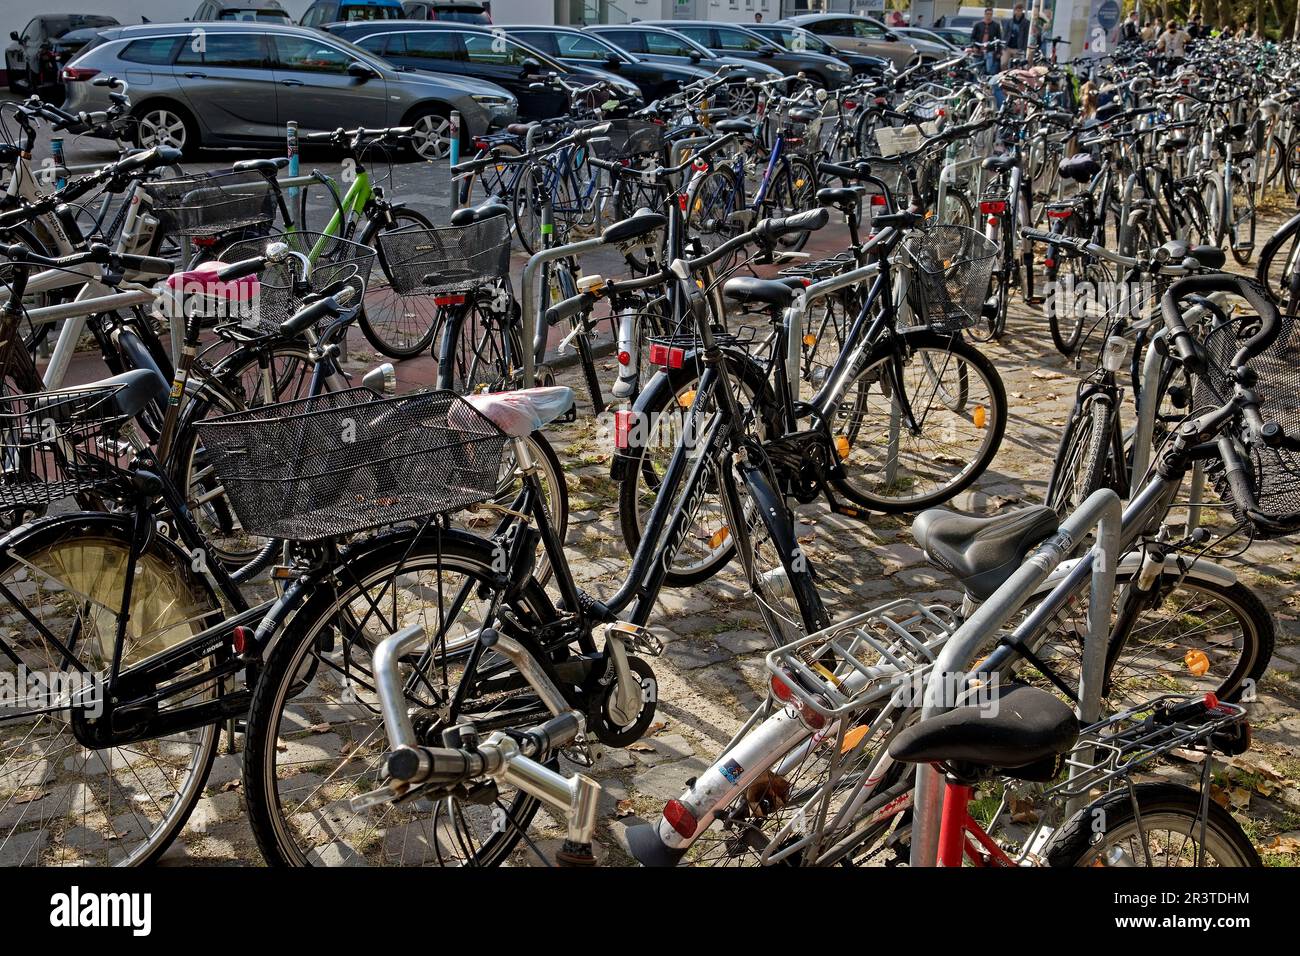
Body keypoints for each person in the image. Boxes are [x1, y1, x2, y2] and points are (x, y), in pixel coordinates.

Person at [1003, 3, 1029, 68]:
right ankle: (1004, 76)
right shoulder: (1010, 21)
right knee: (1003, 63)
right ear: (1014, 11)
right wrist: (1003, 45)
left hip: (1018, 48)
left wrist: (1023, 48)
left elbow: (1026, 36)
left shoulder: (1026, 22)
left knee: (1016, 66)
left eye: (1020, 11)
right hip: (1008, 47)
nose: (1018, 12)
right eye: (1017, 10)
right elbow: (1005, 33)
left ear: (1022, 11)